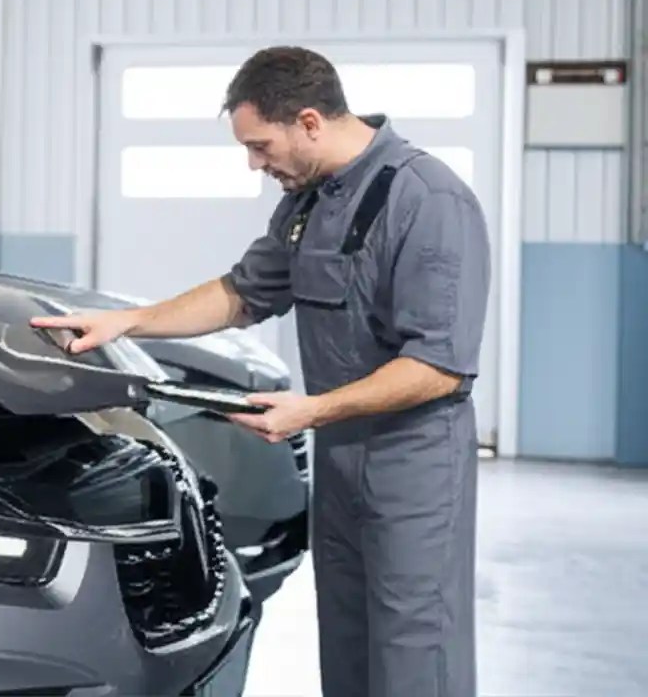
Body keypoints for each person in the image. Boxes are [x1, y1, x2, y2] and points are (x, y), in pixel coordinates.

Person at [31, 45, 488, 697]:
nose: (254, 163)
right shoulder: (309, 202)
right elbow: (242, 293)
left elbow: (438, 368)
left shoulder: (427, 199)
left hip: (414, 472)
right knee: (350, 648)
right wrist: (127, 322)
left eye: (261, 146)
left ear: (309, 122)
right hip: (340, 468)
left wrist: (309, 410)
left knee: (415, 654)